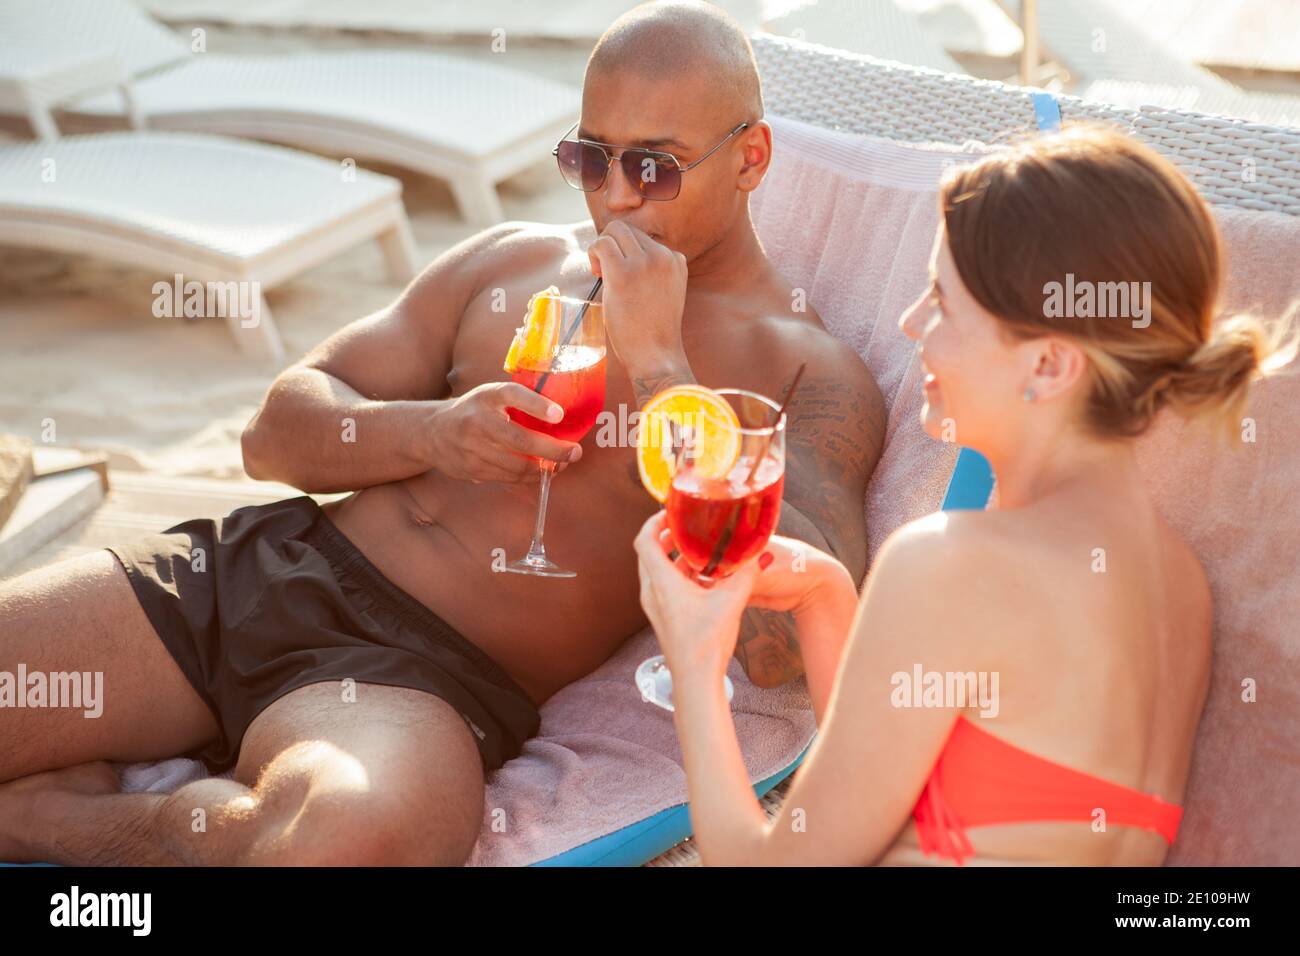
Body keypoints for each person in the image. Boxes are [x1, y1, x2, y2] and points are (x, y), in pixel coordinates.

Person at [0, 1, 883, 866]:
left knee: (354, 838)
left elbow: (785, 652)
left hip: (425, 681)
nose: (614, 197)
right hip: (256, 574)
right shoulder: (512, 262)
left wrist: (661, 370)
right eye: (589, 156)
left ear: (751, 158)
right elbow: (272, 435)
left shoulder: (805, 371)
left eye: (655, 167)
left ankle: (70, 825)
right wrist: (430, 433)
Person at [634, 125, 1296, 866]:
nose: (911, 324)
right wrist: (823, 595)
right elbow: (918, 781)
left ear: (1048, 365)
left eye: (942, 305)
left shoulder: (951, 564)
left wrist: (692, 656)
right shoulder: (1178, 582)